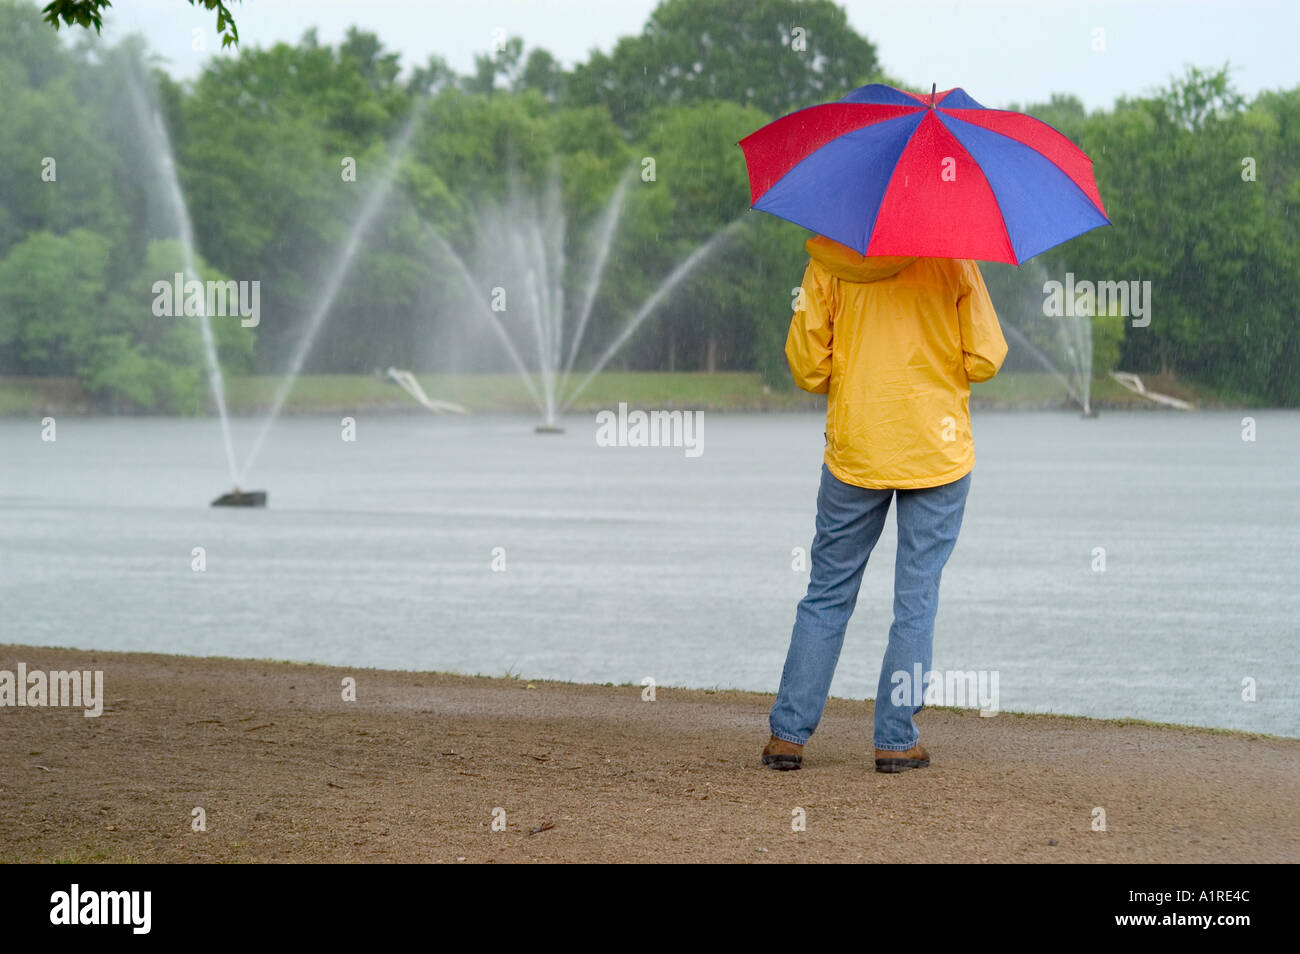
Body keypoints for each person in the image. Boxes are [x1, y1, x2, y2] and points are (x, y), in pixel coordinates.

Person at [763, 235, 1007, 774]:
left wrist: (856, 375)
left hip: (858, 445)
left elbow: (808, 368)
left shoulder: (825, 261)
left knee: (827, 592)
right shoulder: (953, 256)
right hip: (936, 450)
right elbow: (986, 357)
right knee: (916, 598)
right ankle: (895, 740)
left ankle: (789, 735)